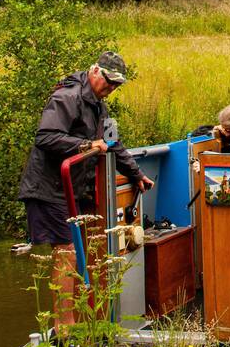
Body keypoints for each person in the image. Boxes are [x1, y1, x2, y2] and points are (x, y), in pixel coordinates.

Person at [18, 52, 154, 332]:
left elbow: (112, 142)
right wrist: (87, 146)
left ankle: (84, 321)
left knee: (80, 249)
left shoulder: (99, 105)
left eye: (116, 85)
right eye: (108, 81)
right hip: (49, 188)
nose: (111, 88)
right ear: (94, 71)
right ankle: (64, 330)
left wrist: (136, 173)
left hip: (71, 190)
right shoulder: (67, 97)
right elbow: (45, 137)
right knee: (66, 251)